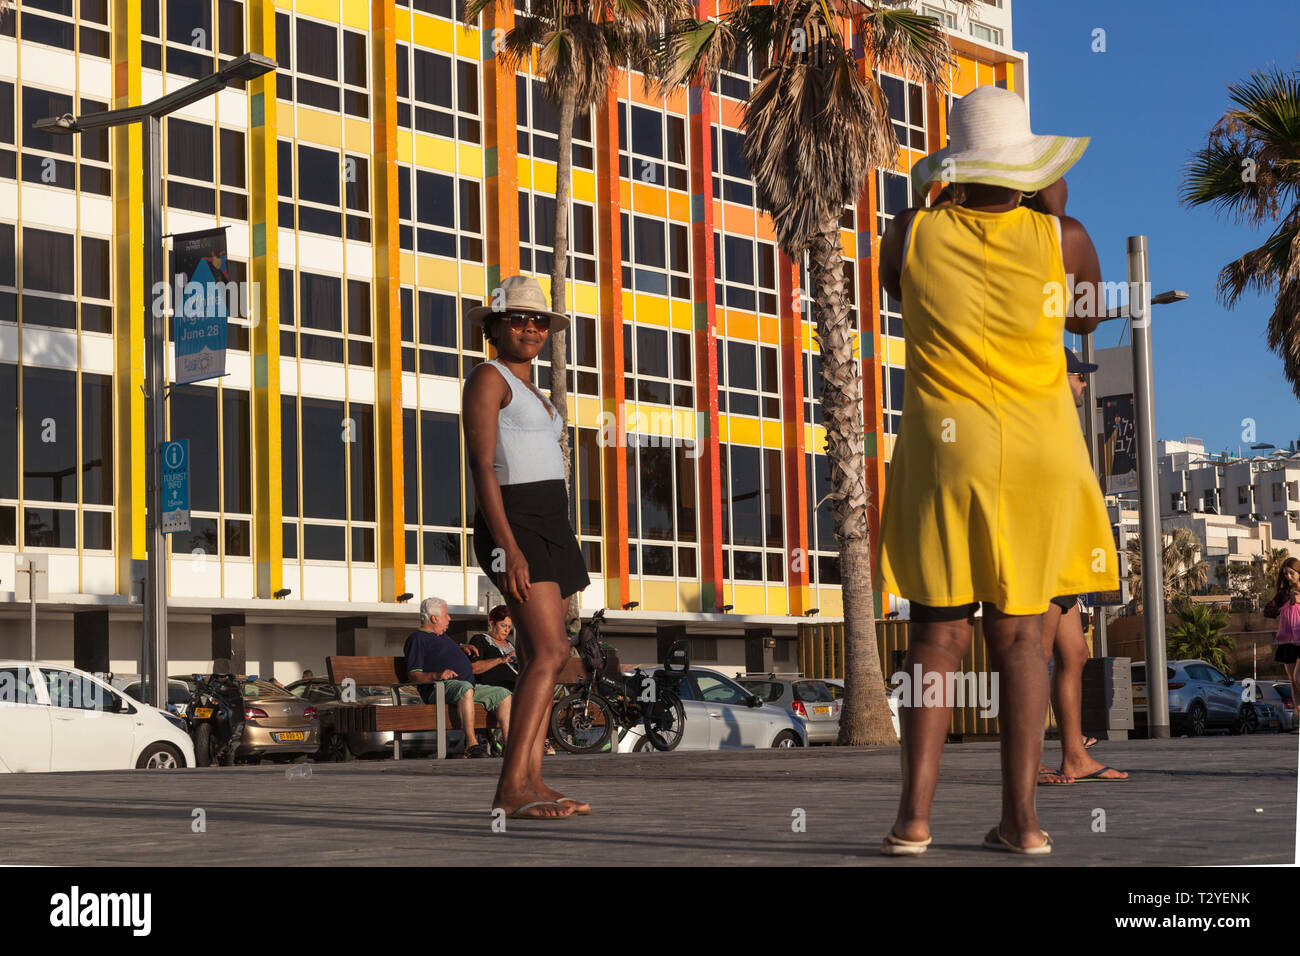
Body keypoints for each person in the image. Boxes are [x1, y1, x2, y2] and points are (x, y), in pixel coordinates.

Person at [875, 86, 1118, 856]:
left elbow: (897, 293)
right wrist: (1053, 202)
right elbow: (1085, 316)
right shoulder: (1064, 235)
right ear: (1028, 164)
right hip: (1038, 451)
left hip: (948, 450)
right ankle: (1024, 822)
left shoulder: (910, 231)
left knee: (936, 639)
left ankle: (913, 818)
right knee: (1022, 640)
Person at [463, 275, 592, 819]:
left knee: (553, 653)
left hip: (549, 521)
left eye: (539, 320)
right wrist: (509, 547)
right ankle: (510, 788)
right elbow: (484, 466)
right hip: (512, 521)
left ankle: (533, 779)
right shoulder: (487, 378)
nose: (531, 328)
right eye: (518, 318)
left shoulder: (534, 389)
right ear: (493, 326)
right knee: (549, 652)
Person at [1035, 350, 1128, 785]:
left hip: (1067, 552)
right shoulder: (1040, 417)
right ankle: (1026, 759)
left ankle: (1074, 754)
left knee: (1074, 652)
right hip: (1045, 550)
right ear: (1060, 377)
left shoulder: (1062, 423)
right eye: (1080, 376)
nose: (1085, 384)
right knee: (1033, 655)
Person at [404, 597, 512, 758]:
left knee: (503, 694)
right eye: (446, 615)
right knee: (465, 689)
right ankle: (471, 744)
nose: (449, 618)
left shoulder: (442, 637)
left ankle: (509, 746)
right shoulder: (417, 639)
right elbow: (414, 675)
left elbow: (443, 651)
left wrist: (461, 647)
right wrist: (438, 675)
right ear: (434, 618)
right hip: (438, 689)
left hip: (467, 687)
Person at [1264, 556, 1300, 732]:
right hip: (1287, 640)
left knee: (1299, 677)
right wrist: (1282, 607)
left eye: (1292, 573)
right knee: (1293, 681)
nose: (1288, 577)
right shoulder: (1284, 593)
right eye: (1286, 574)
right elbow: (1268, 611)